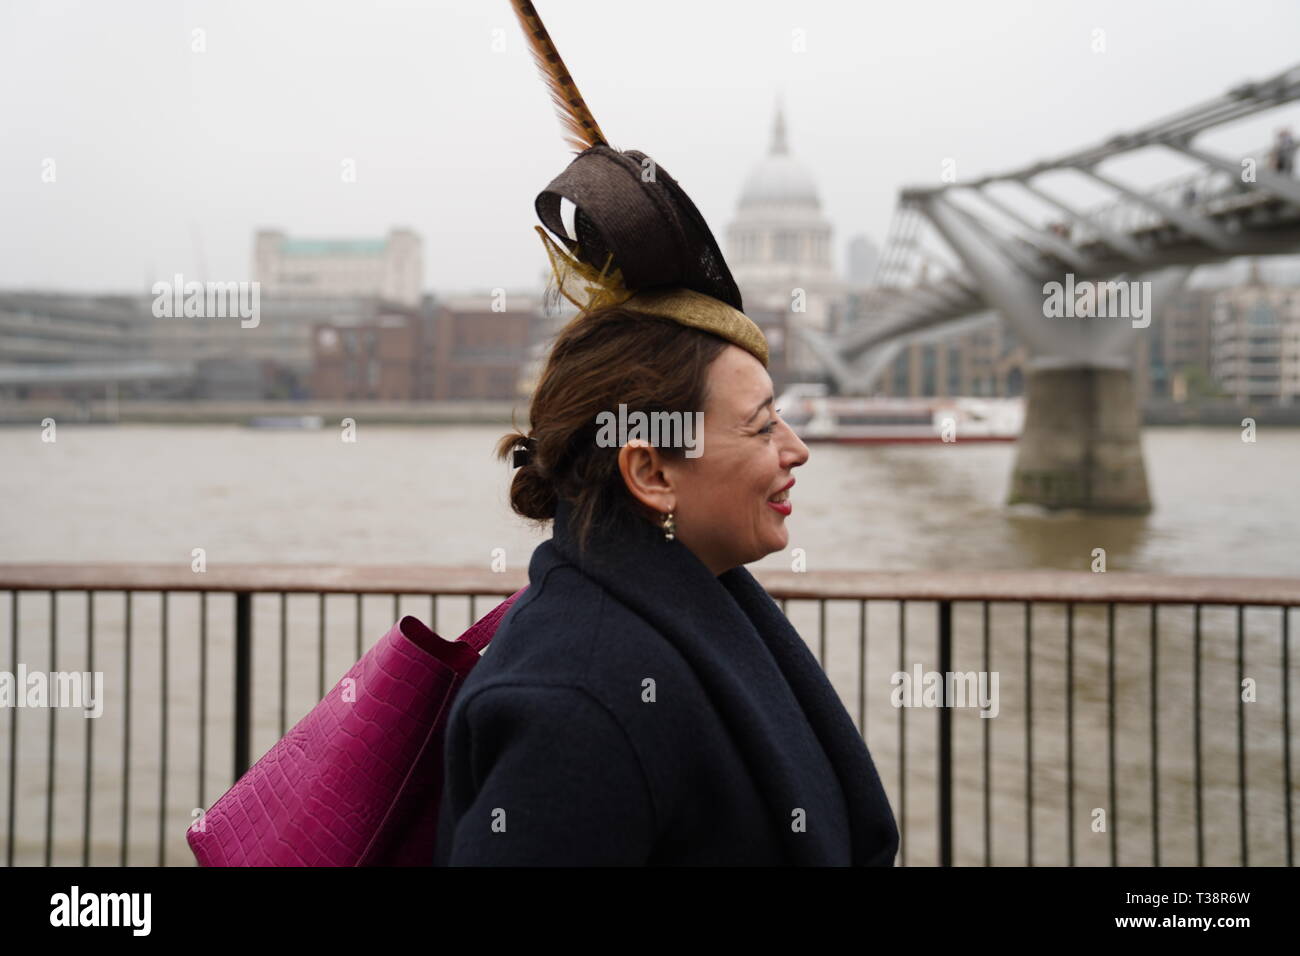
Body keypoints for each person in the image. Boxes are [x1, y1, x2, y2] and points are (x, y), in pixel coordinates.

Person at [433, 0, 899, 866]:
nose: (798, 450)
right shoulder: (579, 702)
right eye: (762, 426)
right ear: (648, 469)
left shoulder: (676, 600)